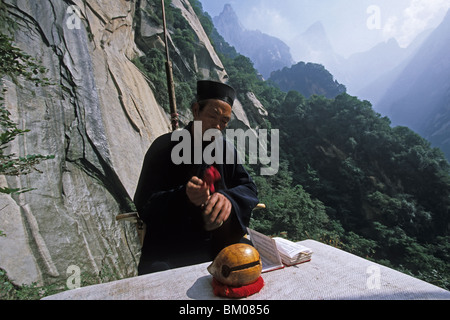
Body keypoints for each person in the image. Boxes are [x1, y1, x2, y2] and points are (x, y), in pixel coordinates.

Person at [134, 80, 259, 275]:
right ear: (195, 110)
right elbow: (144, 204)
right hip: (170, 247)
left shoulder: (226, 151)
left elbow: (249, 188)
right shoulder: (164, 147)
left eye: (224, 121)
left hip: (219, 243)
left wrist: (229, 199)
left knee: (247, 267)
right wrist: (184, 196)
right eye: (212, 116)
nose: (217, 126)